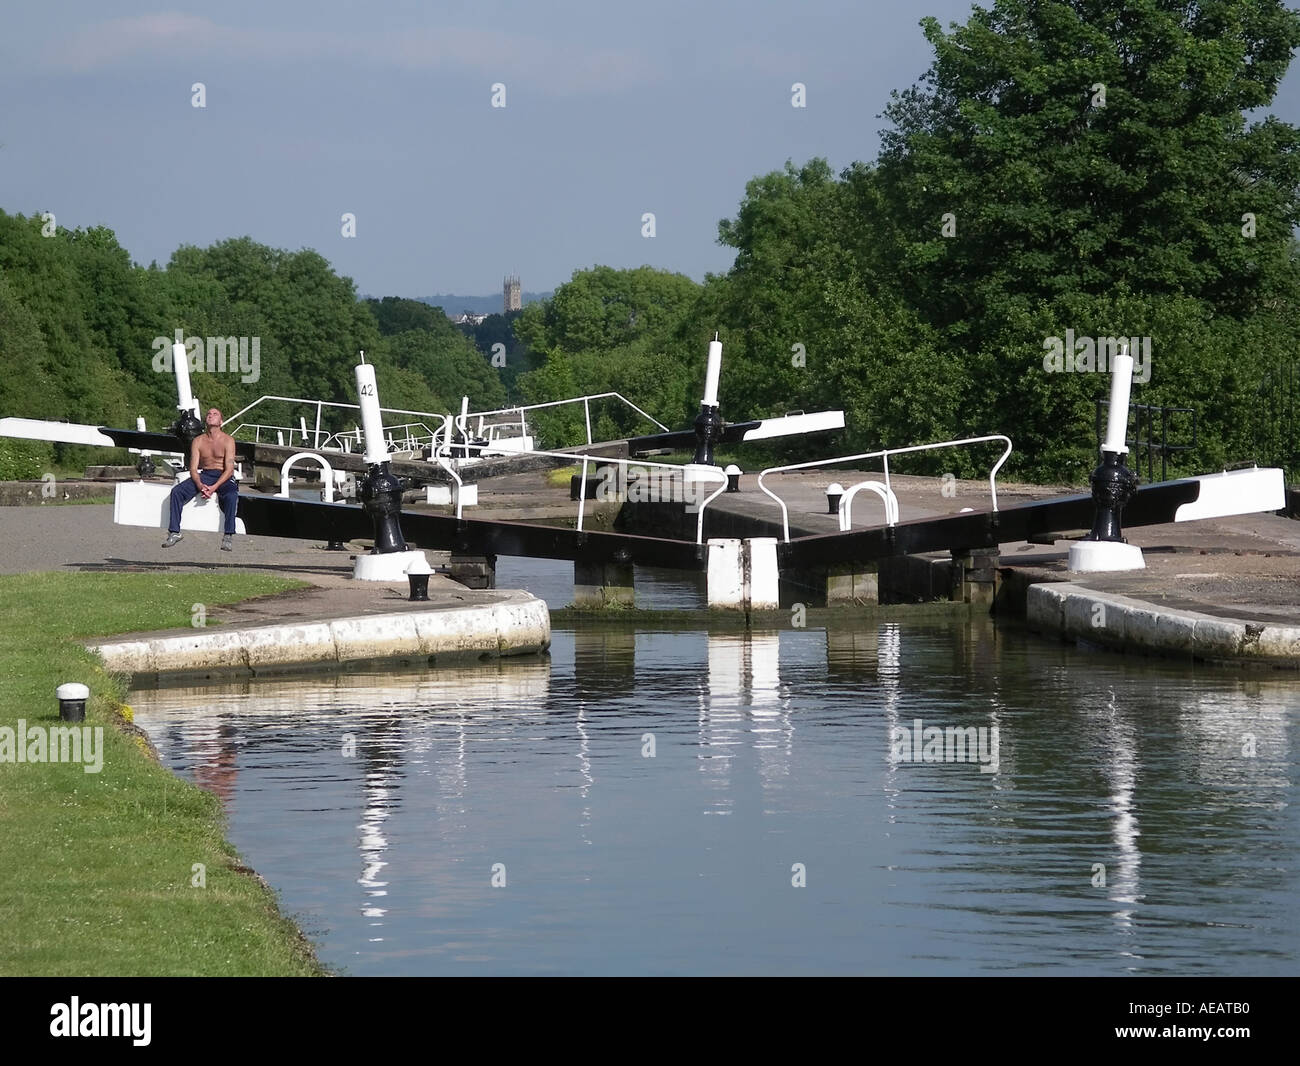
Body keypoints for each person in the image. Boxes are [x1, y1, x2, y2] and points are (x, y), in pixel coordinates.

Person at [162, 407, 238, 550]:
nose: (211, 415)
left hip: (223, 476)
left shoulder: (228, 440)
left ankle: (228, 535)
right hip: (205, 474)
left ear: (221, 421)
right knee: (177, 492)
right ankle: (174, 532)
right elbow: (193, 468)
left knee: (231, 496)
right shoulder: (198, 441)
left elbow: (229, 470)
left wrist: (214, 487)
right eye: (209, 414)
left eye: (215, 414)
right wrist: (200, 484)